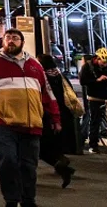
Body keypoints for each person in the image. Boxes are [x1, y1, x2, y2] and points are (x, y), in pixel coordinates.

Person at [0, 29, 60, 207]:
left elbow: (47, 94)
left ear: (21, 41)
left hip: (32, 125)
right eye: (8, 38)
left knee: (29, 167)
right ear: (2, 42)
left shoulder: (35, 65)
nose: (11, 41)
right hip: (4, 124)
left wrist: (55, 118)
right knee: (8, 161)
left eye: (15, 38)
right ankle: (12, 200)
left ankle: (28, 199)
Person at [35, 54, 76, 188]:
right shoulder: (59, 74)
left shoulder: (43, 77)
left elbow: (46, 97)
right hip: (62, 113)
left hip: (48, 114)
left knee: (39, 146)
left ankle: (60, 164)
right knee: (51, 144)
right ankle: (61, 162)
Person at [78, 48, 107, 154]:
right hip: (94, 98)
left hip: (106, 96)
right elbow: (83, 81)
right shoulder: (87, 67)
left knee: (106, 121)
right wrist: (97, 80)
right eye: (104, 62)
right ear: (97, 58)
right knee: (94, 121)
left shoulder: (105, 67)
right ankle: (93, 145)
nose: (105, 65)